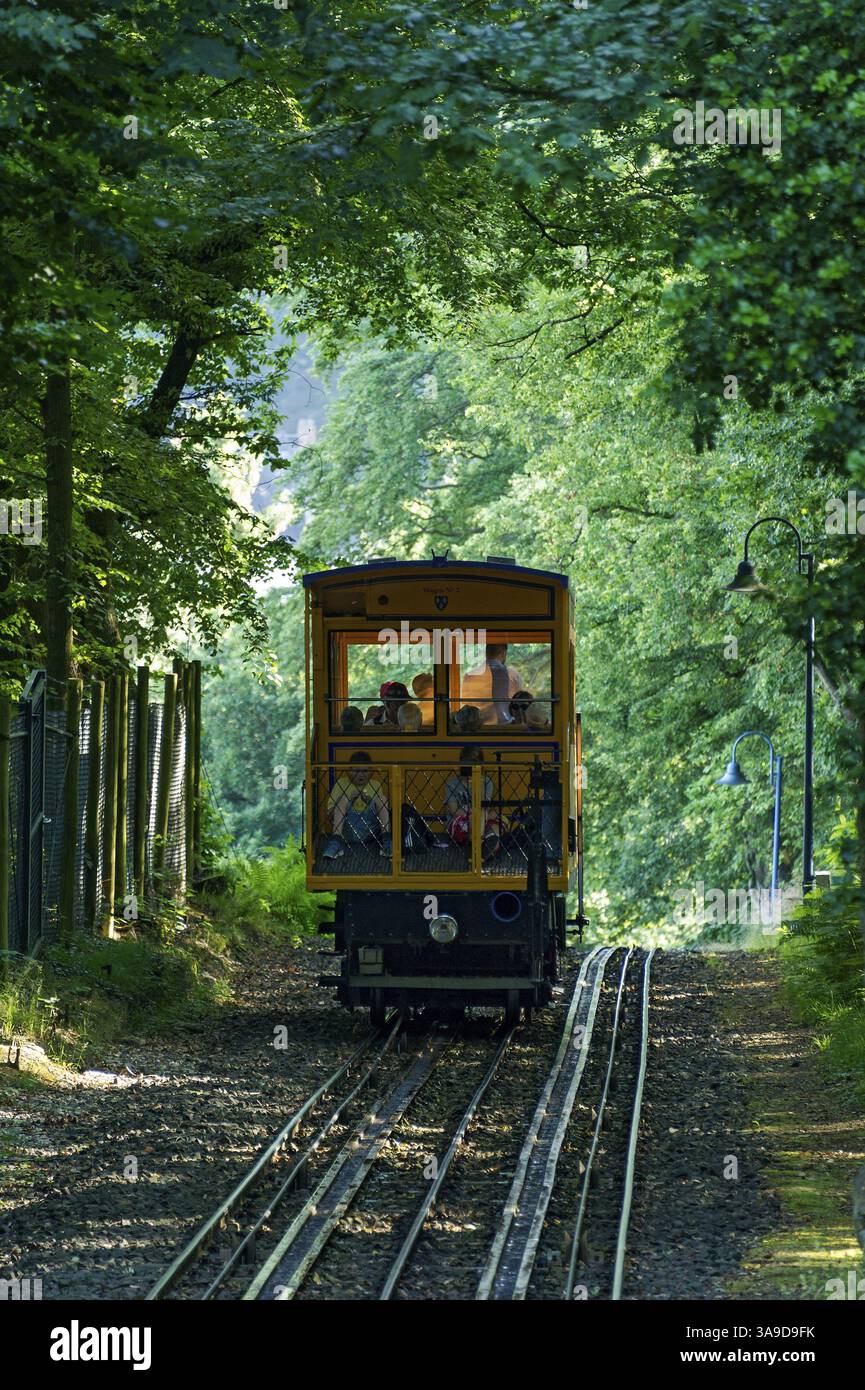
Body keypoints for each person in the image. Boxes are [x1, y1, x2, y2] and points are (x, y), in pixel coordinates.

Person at [323, 751, 390, 859]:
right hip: (347, 829)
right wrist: (349, 801)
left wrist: (369, 802)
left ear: (371, 771)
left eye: (364, 771)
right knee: (343, 799)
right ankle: (336, 843)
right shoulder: (341, 783)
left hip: (370, 830)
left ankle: (387, 841)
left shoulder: (376, 785)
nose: (360, 775)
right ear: (349, 770)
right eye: (356, 771)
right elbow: (330, 815)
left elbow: (380, 815)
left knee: (382, 799)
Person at [443, 745, 501, 861]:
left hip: (481, 817)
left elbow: (485, 806)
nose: (470, 766)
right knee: (476, 821)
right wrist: (474, 817)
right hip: (461, 820)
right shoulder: (452, 783)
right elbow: (454, 810)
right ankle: (482, 847)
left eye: (474, 763)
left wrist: (479, 782)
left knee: (499, 822)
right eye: (467, 763)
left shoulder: (486, 782)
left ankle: (482, 849)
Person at [460, 643, 524, 724]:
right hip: (507, 729)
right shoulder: (512, 674)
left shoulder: (469, 676)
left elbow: (466, 710)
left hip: (477, 729)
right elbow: (519, 705)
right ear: (503, 653)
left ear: (486, 653)